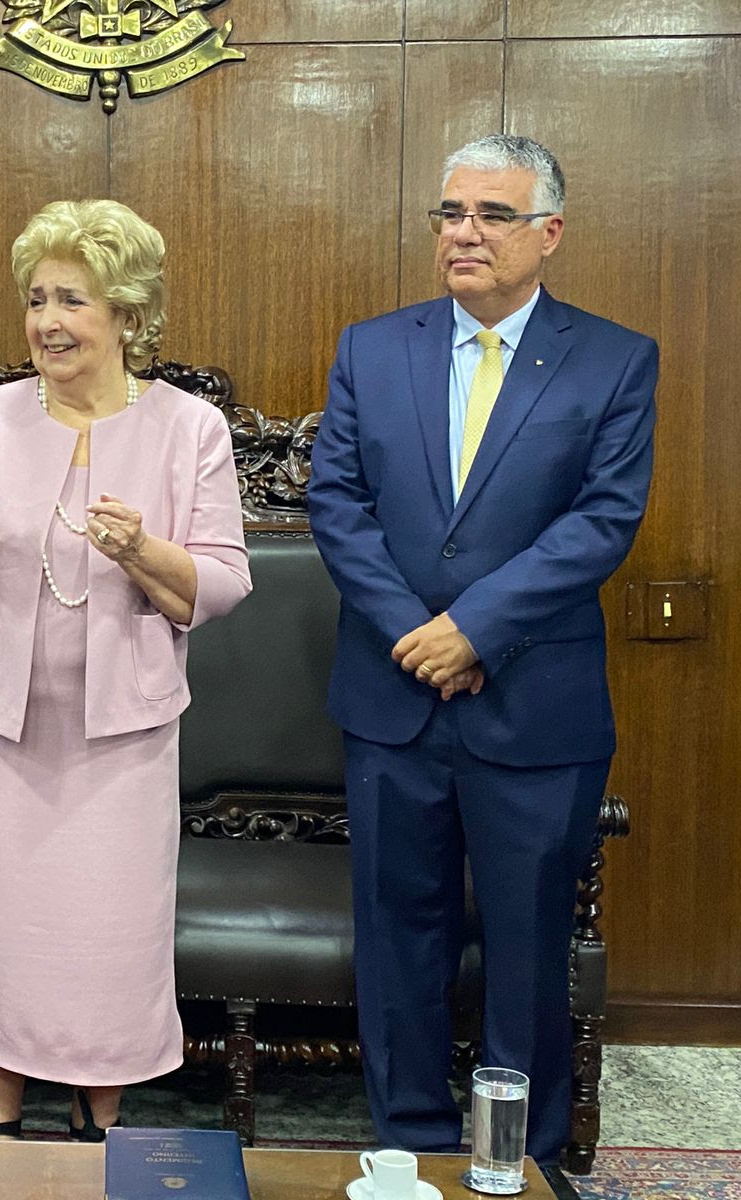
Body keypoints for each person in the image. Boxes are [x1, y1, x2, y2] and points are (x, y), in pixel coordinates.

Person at [307, 134, 657, 1164]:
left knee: (527, 947)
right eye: (450, 213)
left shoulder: (614, 359)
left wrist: (475, 630)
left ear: (549, 233)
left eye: (493, 215)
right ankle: (410, 1148)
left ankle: (520, 1161)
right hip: (392, 697)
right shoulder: (373, 348)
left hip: (534, 706)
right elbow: (337, 504)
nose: (464, 232)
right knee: (397, 941)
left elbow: (603, 520)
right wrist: (417, 636)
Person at [0, 199, 252, 1140]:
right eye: (36, 300)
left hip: (119, 742)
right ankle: (0, 1121)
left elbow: (222, 583)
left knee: (107, 938)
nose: (48, 322)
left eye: (72, 301)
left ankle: (98, 1124)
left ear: (129, 316)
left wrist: (141, 549)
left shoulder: (189, 428)